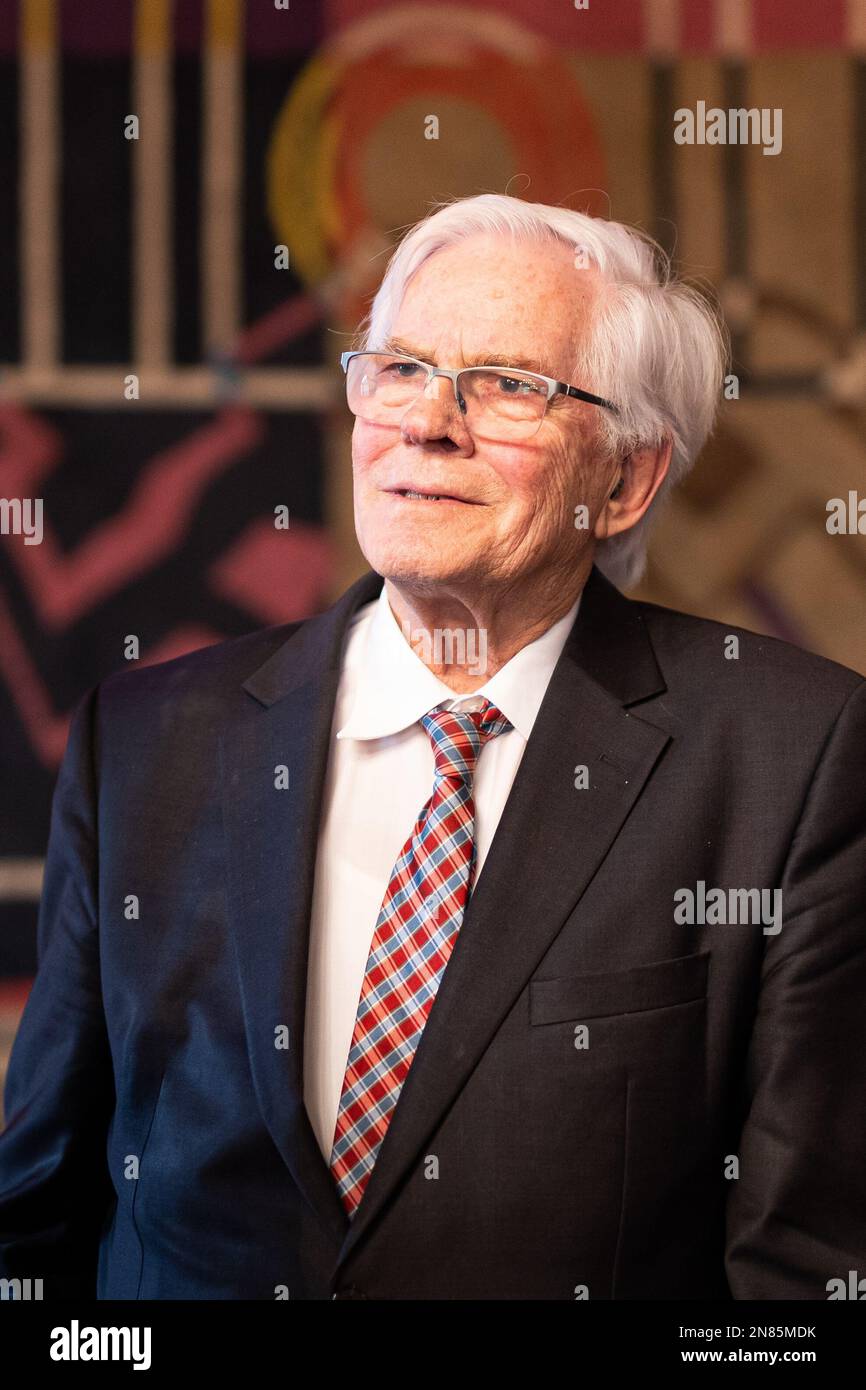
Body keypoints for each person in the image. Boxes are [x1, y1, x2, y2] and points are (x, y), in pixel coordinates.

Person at [1, 194, 864, 1300]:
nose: (427, 421)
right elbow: (38, 1217)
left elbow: (800, 1275)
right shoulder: (147, 740)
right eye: (399, 368)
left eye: (508, 384)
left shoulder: (790, 757)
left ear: (624, 478)